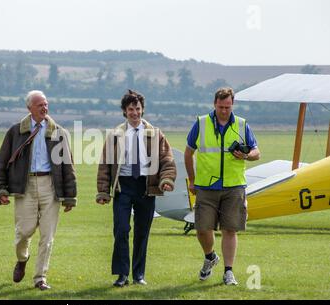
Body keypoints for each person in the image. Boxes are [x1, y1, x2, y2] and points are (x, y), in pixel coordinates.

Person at [0, 90, 77, 290]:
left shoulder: (59, 132)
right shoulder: (15, 132)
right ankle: (22, 259)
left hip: (50, 186)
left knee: (47, 236)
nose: (44, 108)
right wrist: (0, 189)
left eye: (46, 104)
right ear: (29, 108)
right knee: (23, 232)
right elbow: (1, 161)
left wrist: (70, 196)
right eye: (39, 105)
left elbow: (68, 165)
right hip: (25, 186)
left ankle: (40, 278)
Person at [96, 89, 176, 287]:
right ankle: (122, 275)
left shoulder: (155, 134)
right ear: (124, 111)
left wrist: (166, 179)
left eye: (138, 109)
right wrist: (103, 191)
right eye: (131, 109)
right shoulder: (115, 135)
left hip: (145, 187)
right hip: (123, 186)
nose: (135, 113)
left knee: (142, 232)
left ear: (143, 110)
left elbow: (167, 160)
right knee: (121, 230)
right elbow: (105, 164)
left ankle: (138, 275)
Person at [184, 87, 260, 285]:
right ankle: (210, 257)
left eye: (227, 107)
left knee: (230, 229)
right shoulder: (201, 123)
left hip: (234, 186)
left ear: (232, 104)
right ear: (214, 104)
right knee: (202, 228)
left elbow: (256, 152)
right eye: (220, 107)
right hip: (206, 186)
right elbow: (188, 153)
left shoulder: (243, 125)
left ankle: (228, 272)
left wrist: (246, 155)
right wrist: (191, 180)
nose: (224, 110)